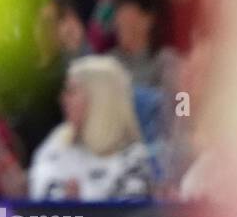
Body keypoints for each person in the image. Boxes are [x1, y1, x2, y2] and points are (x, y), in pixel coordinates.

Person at [28, 55, 154, 201]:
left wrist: (83, 206)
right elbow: (38, 204)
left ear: (99, 99)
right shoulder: (56, 145)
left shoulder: (133, 160)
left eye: (71, 91)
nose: (63, 99)